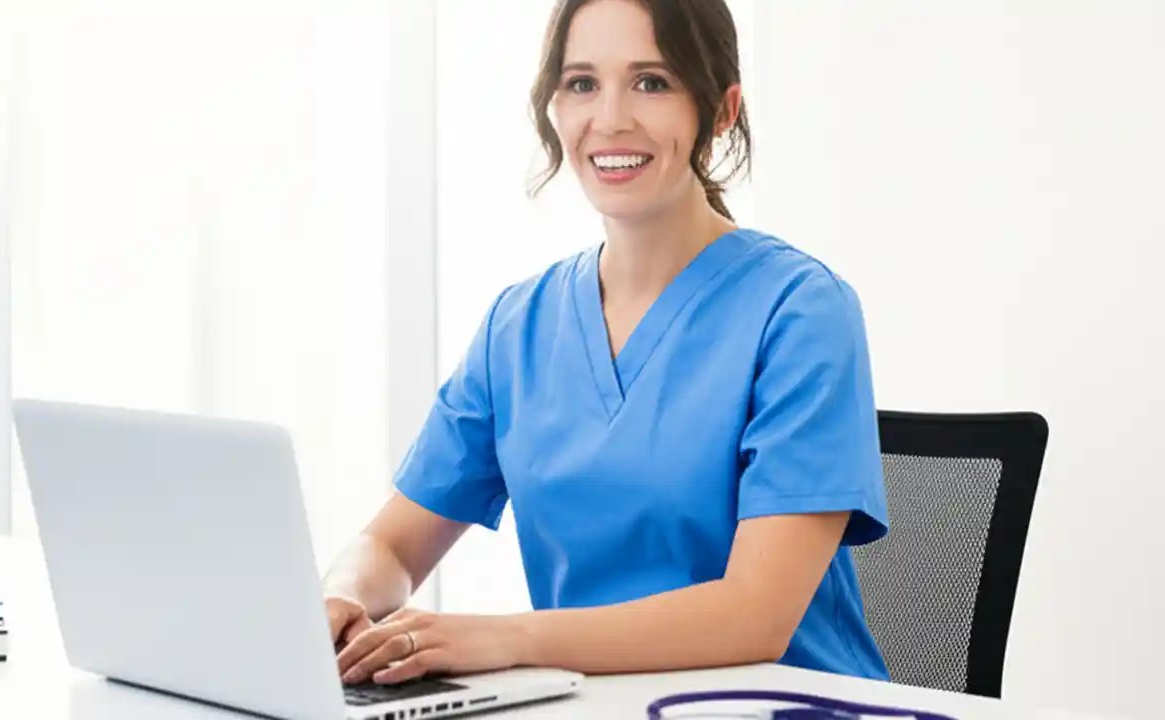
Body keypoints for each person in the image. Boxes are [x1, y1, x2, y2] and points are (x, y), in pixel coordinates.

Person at [328, 0, 890, 687]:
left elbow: (756, 616)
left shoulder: (800, 310)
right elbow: (391, 546)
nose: (611, 117)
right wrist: (340, 598)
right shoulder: (518, 326)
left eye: (652, 82)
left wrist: (504, 639)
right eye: (582, 83)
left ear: (721, 110)